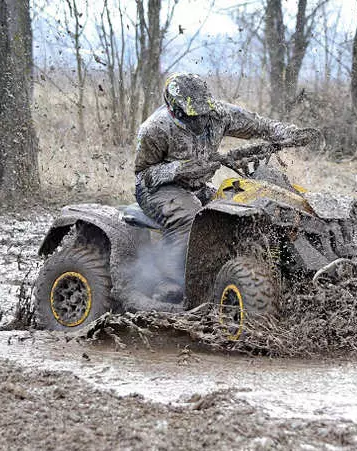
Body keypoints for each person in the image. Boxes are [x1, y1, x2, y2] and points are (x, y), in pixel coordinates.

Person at [134, 72, 318, 304]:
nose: (200, 120)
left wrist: (288, 133)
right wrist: (181, 168)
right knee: (191, 216)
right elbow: (143, 173)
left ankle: (232, 266)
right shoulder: (155, 129)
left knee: (232, 209)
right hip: (158, 189)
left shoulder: (218, 114)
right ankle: (171, 281)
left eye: (204, 113)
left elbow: (258, 125)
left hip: (198, 185)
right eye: (193, 116)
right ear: (175, 109)